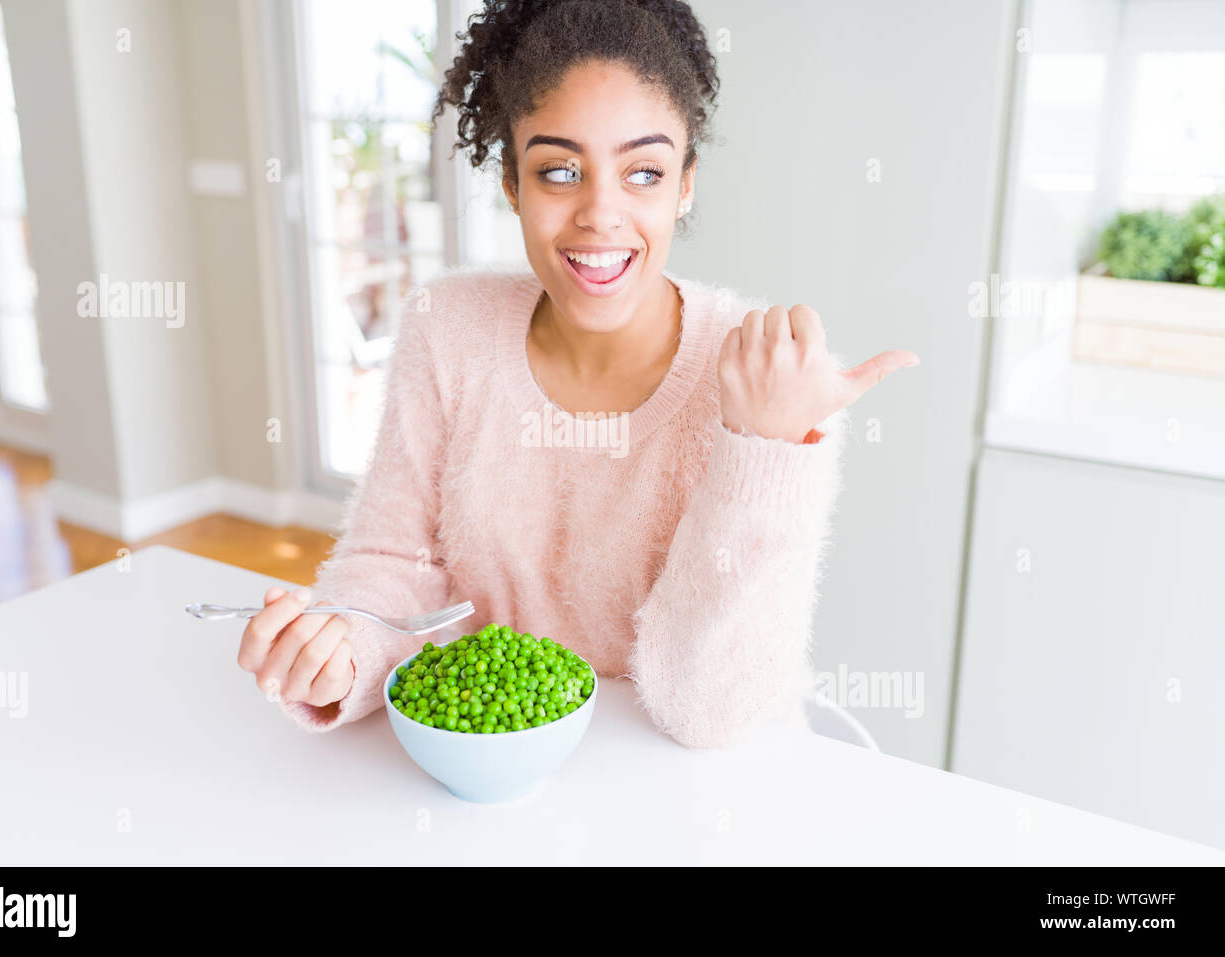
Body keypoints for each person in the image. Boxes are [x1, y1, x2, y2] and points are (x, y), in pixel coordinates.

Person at [237, 0, 919, 748]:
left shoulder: (763, 377)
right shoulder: (447, 328)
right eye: (559, 171)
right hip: (498, 781)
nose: (600, 213)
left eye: (644, 172)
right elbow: (392, 561)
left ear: (684, 184)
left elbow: (708, 710)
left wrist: (762, 449)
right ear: (511, 184)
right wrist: (344, 652)